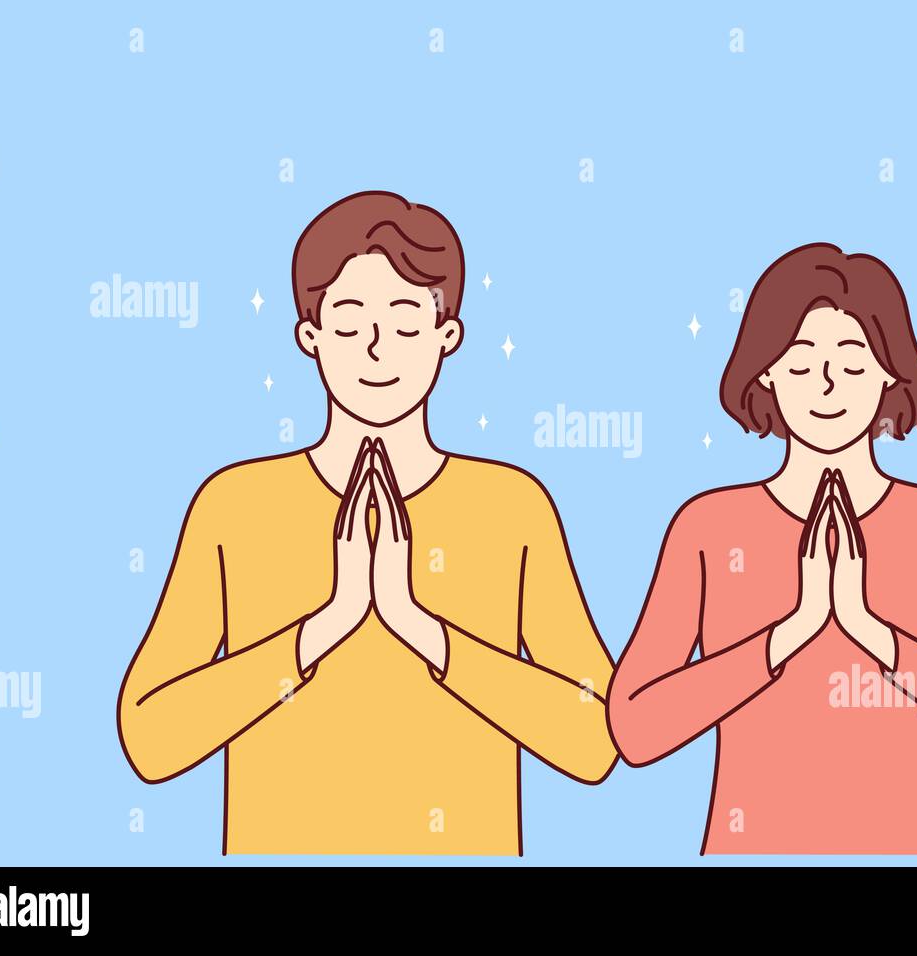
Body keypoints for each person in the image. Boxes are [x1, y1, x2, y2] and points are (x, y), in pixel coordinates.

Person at [118, 191, 617, 855]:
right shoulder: (235, 505)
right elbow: (149, 736)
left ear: (449, 336)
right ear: (310, 336)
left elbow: (598, 738)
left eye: (407, 324)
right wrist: (321, 630)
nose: (378, 351)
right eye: (349, 326)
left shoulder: (512, 506)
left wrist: (424, 631)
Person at [606, 243, 917, 854]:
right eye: (799, 364)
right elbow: (633, 727)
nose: (825, 386)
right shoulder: (707, 528)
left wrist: (877, 637)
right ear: (763, 371)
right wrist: (786, 637)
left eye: (851, 363)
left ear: (890, 373)